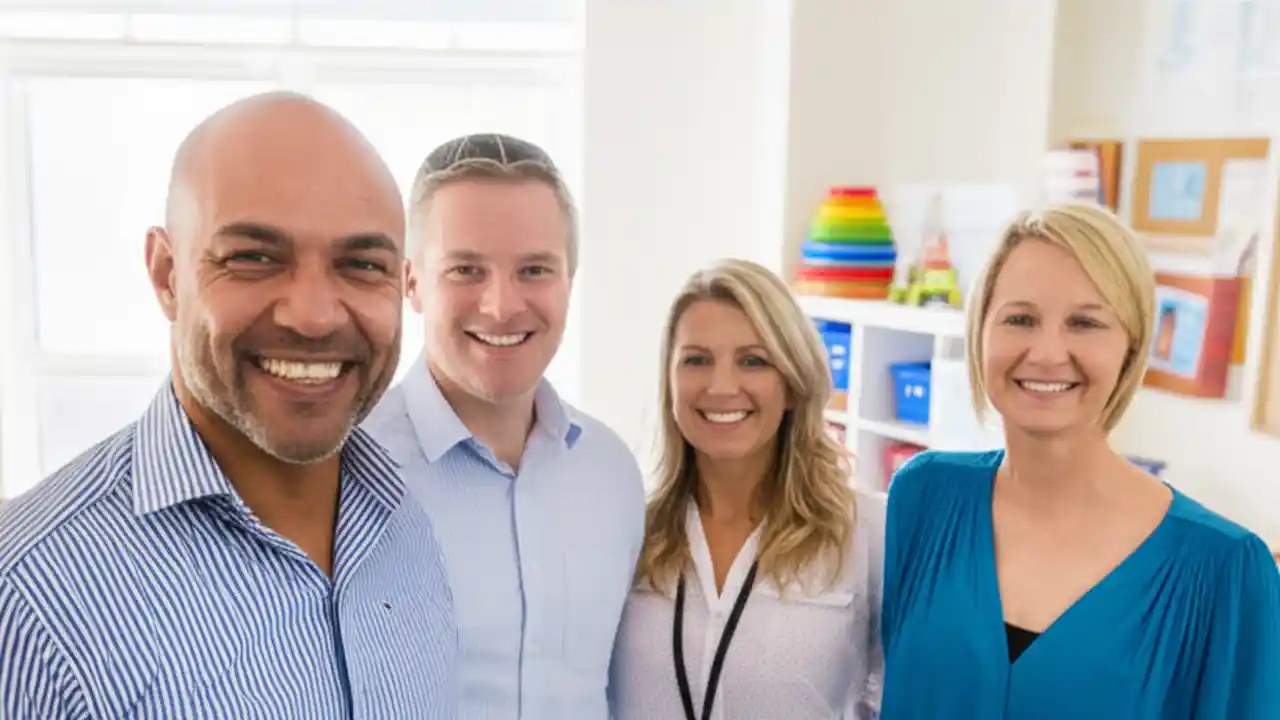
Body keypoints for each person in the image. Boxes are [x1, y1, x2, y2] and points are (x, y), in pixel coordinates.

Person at [0, 92, 458, 718]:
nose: (315, 315)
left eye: (360, 264)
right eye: (254, 258)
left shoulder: (408, 525)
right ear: (167, 275)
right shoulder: (27, 595)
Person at [880, 204, 1280, 718]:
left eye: (1085, 323)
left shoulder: (1225, 570)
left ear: (1131, 346)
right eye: (1019, 319)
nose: (1047, 352)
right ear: (980, 332)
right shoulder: (924, 498)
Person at [362, 133, 645, 719]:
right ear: (410, 282)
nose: (501, 306)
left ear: (570, 279)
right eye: (466, 269)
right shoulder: (348, 472)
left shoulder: (611, 470)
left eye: (535, 270)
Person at [608, 258, 885, 720]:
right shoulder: (627, 532)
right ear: (670, 383)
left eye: (753, 361)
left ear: (793, 384)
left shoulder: (867, 535)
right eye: (696, 360)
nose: (721, 386)